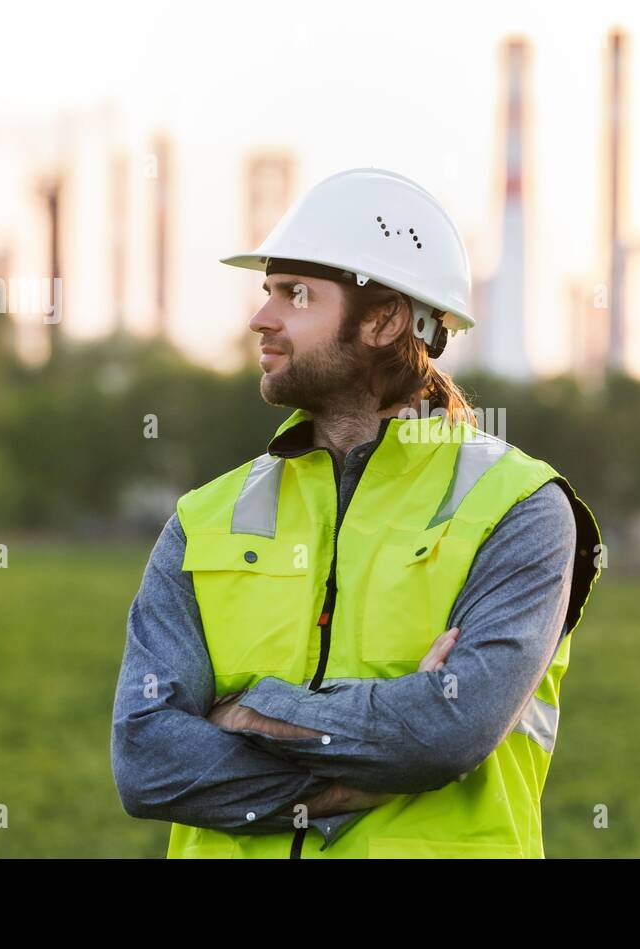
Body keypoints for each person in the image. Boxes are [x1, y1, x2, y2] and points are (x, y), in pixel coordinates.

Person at [111, 167, 601, 858]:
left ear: (384, 319)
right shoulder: (204, 518)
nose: (262, 317)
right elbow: (146, 760)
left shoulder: (521, 508)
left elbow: (448, 732)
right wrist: (348, 780)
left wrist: (250, 712)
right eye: (268, 292)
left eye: (297, 293)